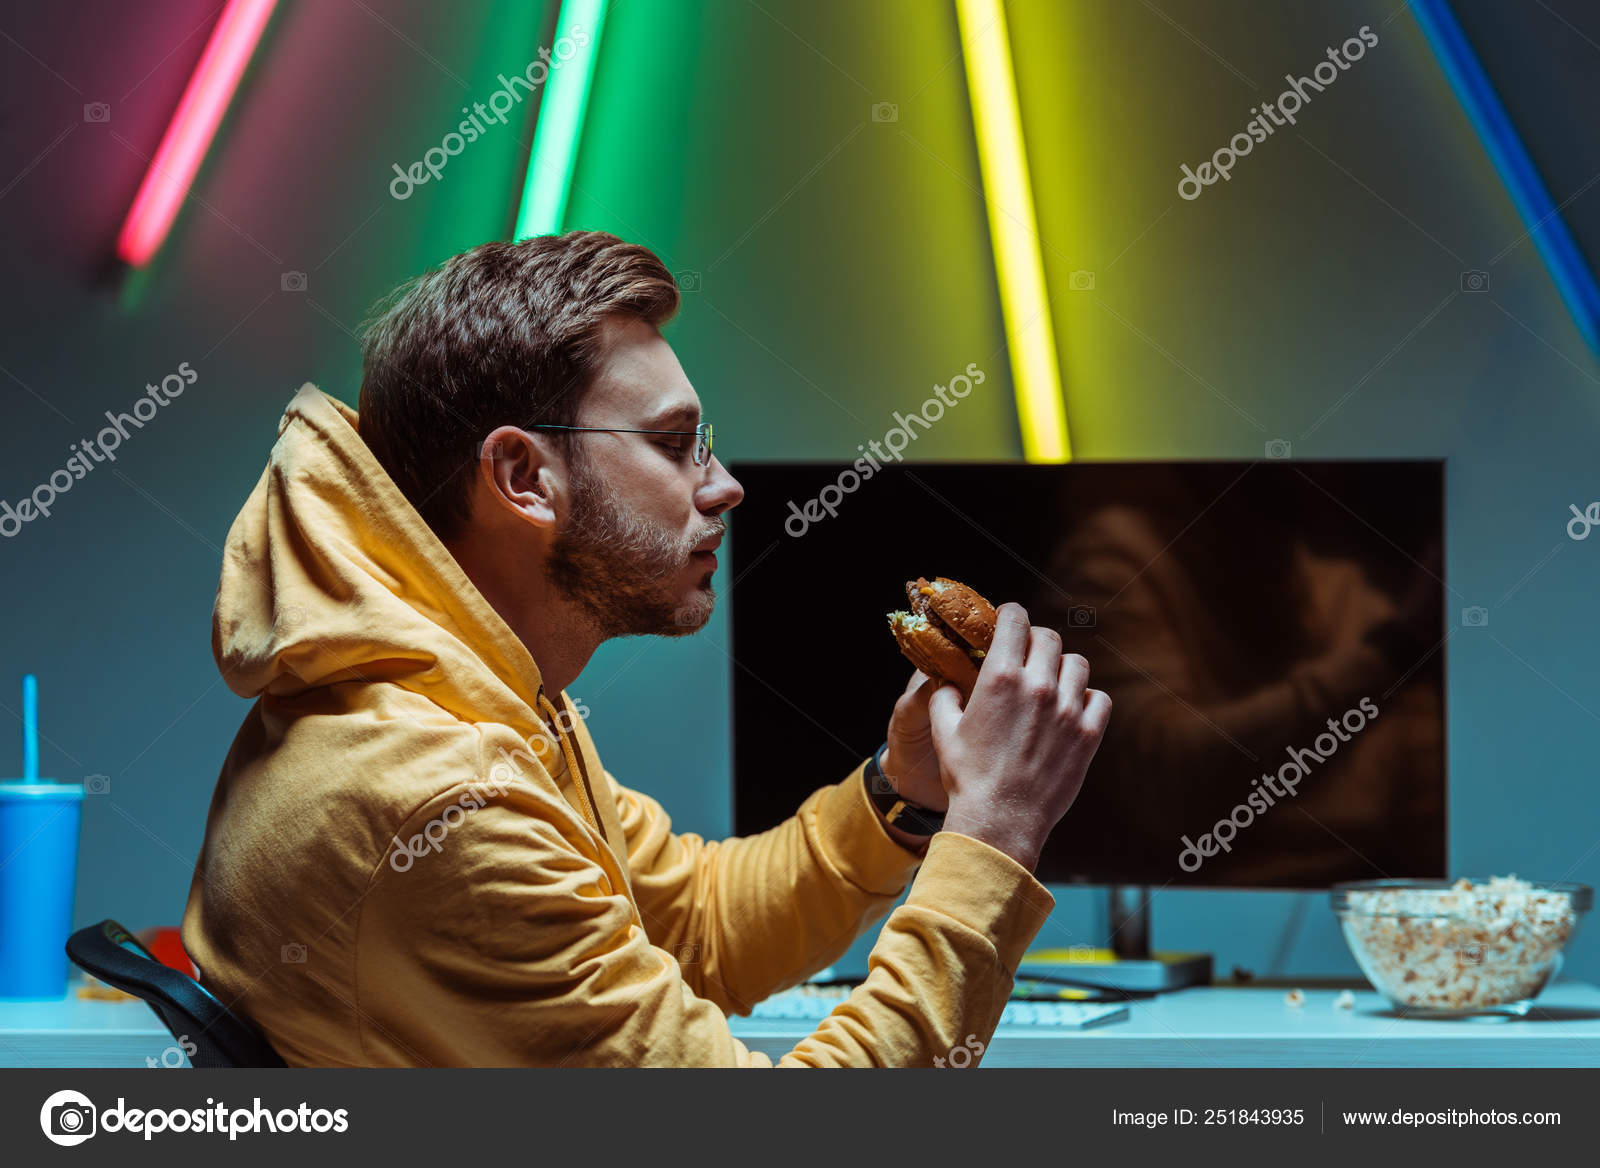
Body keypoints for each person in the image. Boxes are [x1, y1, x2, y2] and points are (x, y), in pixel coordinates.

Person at [180, 230, 1110, 1067]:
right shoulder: (444, 796)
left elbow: (698, 926)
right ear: (522, 477)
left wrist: (909, 796)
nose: (726, 487)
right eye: (674, 443)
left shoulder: (467, 703)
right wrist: (996, 835)